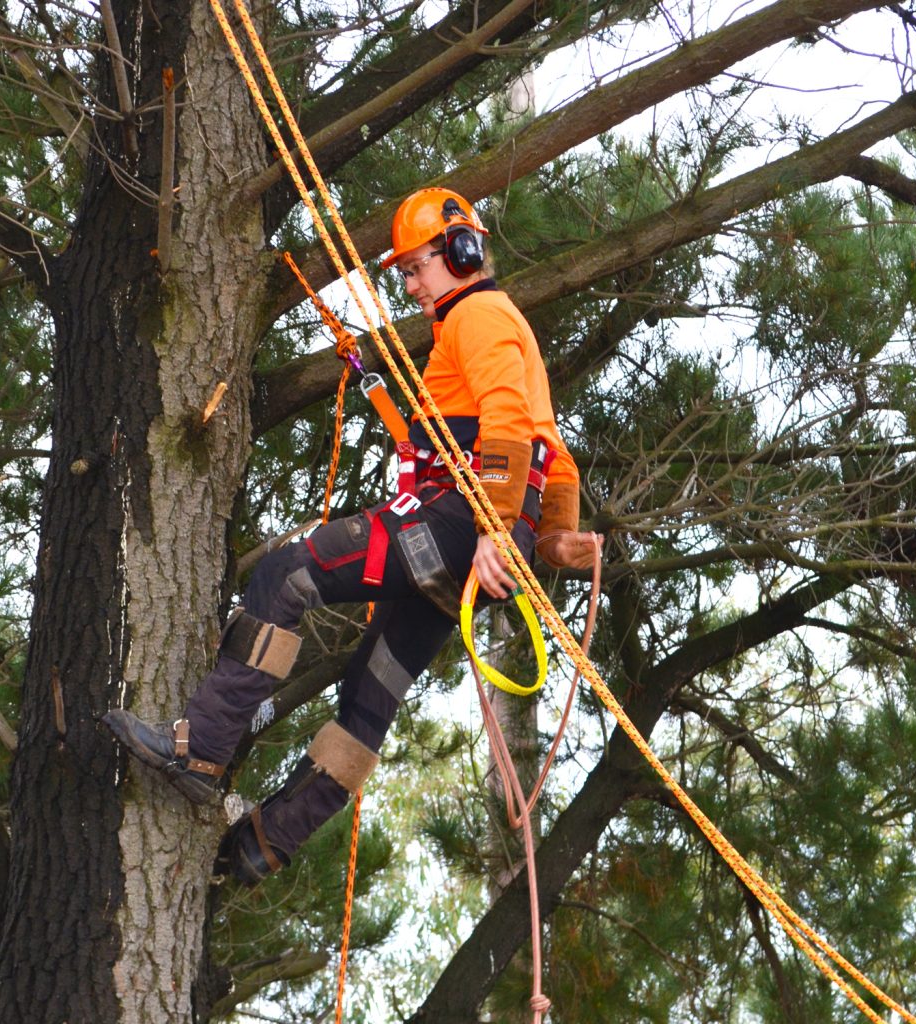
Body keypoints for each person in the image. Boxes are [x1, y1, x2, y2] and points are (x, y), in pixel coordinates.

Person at [103, 187, 597, 884]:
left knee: (285, 576)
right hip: (476, 555)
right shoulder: (498, 328)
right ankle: (265, 842)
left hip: (457, 526)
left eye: (416, 267)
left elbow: (510, 423)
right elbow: (557, 457)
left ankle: (201, 748)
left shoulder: (479, 314)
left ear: (461, 252)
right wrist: (553, 539)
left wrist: (492, 524)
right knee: (372, 689)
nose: (411, 285)